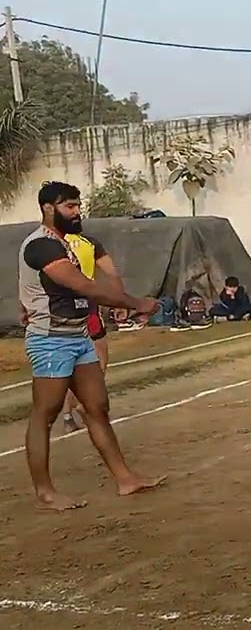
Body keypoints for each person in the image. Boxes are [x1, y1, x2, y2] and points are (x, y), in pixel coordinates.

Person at [19, 181, 166, 511]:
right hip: (50, 340)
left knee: (97, 407)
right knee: (46, 413)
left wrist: (124, 299)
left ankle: (125, 479)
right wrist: (136, 302)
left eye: (77, 205)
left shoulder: (67, 244)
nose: (76, 212)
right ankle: (45, 491)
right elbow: (84, 286)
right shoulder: (40, 246)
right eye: (69, 206)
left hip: (77, 336)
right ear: (48, 209)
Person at [52, 230, 123, 433]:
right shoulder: (88, 242)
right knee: (99, 358)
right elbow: (111, 273)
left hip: (59, 309)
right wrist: (119, 299)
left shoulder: (48, 242)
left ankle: (67, 415)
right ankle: (88, 405)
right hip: (86, 306)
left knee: (67, 364)